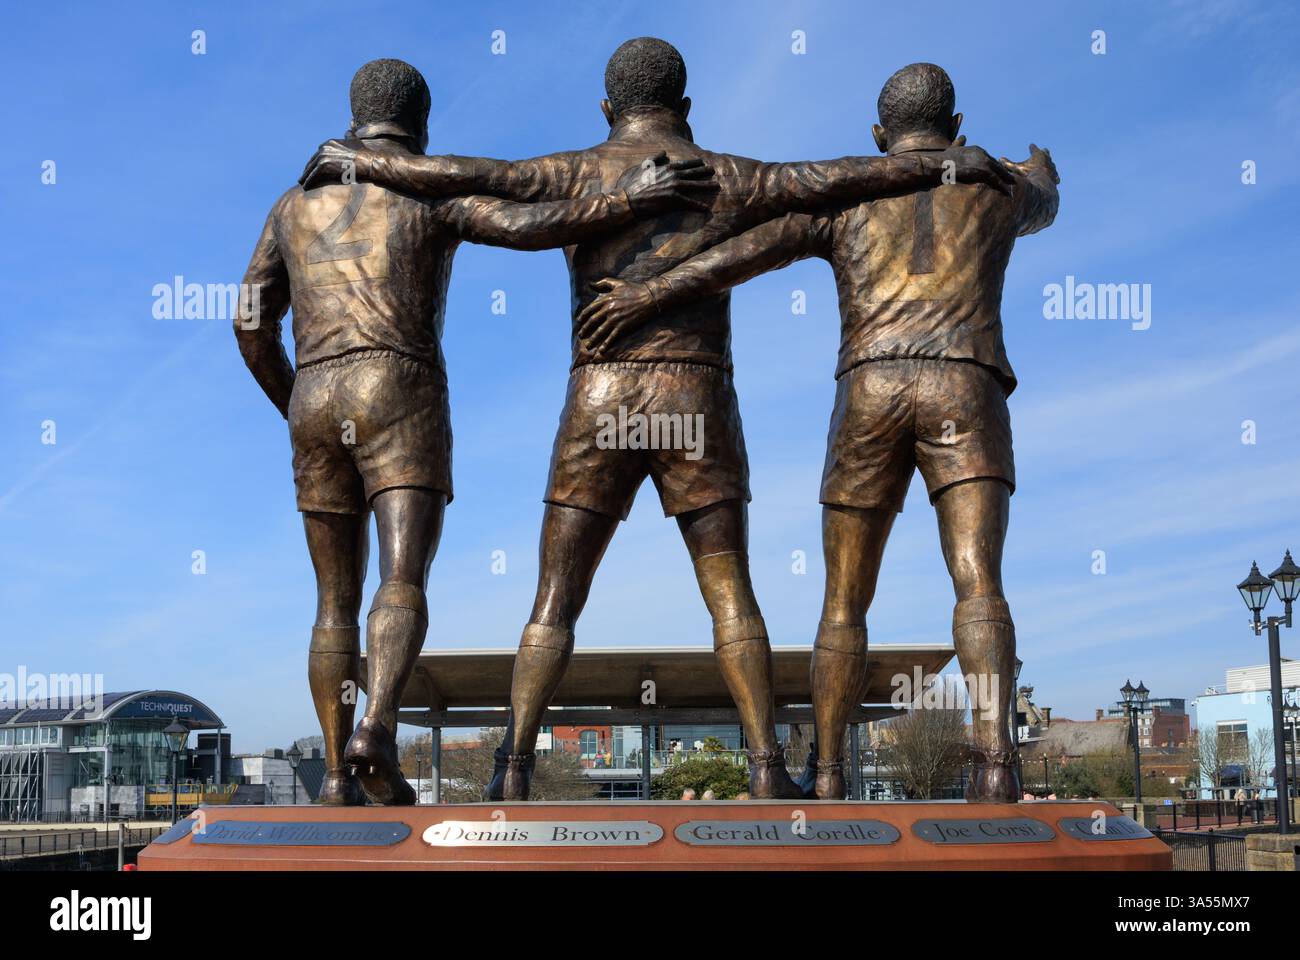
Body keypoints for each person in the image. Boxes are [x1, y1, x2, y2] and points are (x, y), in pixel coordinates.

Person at [300, 39, 1013, 801]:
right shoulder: (731, 176)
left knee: (554, 597)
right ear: (688, 107)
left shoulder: (574, 171)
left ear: (607, 108)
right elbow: (836, 179)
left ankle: (512, 769)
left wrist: (359, 163)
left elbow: (471, 176)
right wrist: (947, 163)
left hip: (599, 400)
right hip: (695, 397)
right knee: (730, 590)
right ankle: (769, 768)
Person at [236, 58, 715, 805]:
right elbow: (529, 227)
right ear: (422, 121)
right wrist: (627, 198)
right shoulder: (424, 192)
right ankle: (381, 721)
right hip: (397, 386)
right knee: (400, 576)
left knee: (331, 600)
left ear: (356, 114)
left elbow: (247, 319)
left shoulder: (291, 206)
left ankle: (334, 776)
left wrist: (293, 398)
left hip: (318, 392)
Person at [575, 62, 1059, 801]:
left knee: (843, 599)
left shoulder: (849, 197)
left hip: (869, 391)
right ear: (954, 129)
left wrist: (648, 294)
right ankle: (996, 763)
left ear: (878, 135)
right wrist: (1034, 168)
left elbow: (741, 255)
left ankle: (828, 773)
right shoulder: (996, 187)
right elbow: (1046, 197)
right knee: (978, 579)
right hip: (967, 382)